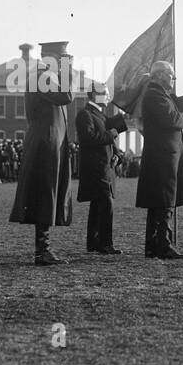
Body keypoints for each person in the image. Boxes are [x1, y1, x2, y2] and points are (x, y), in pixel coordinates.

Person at [9, 41, 74, 266]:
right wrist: (65, 70)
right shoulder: (43, 77)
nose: (67, 61)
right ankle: (42, 250)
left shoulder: (46, 77)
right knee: (45, 194)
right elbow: (66, 96)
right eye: (63, 58)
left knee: (48, 193)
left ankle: (43, 248)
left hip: (49, 141)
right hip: (45, 143)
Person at [135, 60, 183, 259]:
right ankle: (163, 246)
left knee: (159, 202)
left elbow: (172, 115)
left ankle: (153, 246)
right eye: (170, 74)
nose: (173, 78)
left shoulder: (158, 94)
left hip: (164, 155)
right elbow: (172, 119)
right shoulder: (155, 95)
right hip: (163, 156)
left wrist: (179, 113)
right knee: (165, 201)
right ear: (159, 75)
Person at [76, 81, 127, 254]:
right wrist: (112, 133)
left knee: (98, 204)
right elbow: (89, 138)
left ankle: (94, 242)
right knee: (106, 203)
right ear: (95, 95)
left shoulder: (100, 115)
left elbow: (110, 141)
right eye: (104, 93)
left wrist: (118, 155)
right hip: (96, 169)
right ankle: (105, 243)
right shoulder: (85, 115)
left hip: (105, 168)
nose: (107, 96)